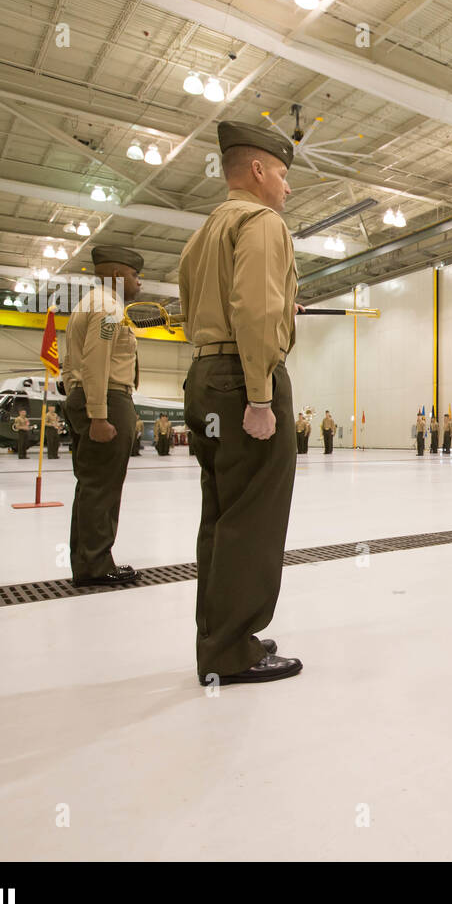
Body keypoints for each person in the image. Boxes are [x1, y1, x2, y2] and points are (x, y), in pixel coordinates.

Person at [178, 120, 304, 686]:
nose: (286, 187)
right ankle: (231, 650)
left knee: (222, 514)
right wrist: (259, 396)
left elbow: (192, 310)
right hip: (244, 379)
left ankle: (221, 632)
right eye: (281, 173)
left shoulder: (203, 234)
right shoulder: (261, 222)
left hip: (205, 372)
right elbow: (254, 310)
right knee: (253, 517)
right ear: (257, 170)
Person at [61, 245, 143, 586]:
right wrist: (98, 414)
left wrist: (79, 400)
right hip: (107, 399)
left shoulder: (89, 304)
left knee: (91, 485)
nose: (139, 282)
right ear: (119, 275)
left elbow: (72, 365)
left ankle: (86, 562)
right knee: (103, 488)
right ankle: (96, 565)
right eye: (136, 275)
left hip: (89, 396)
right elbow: (96, 361)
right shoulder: (108, 308)